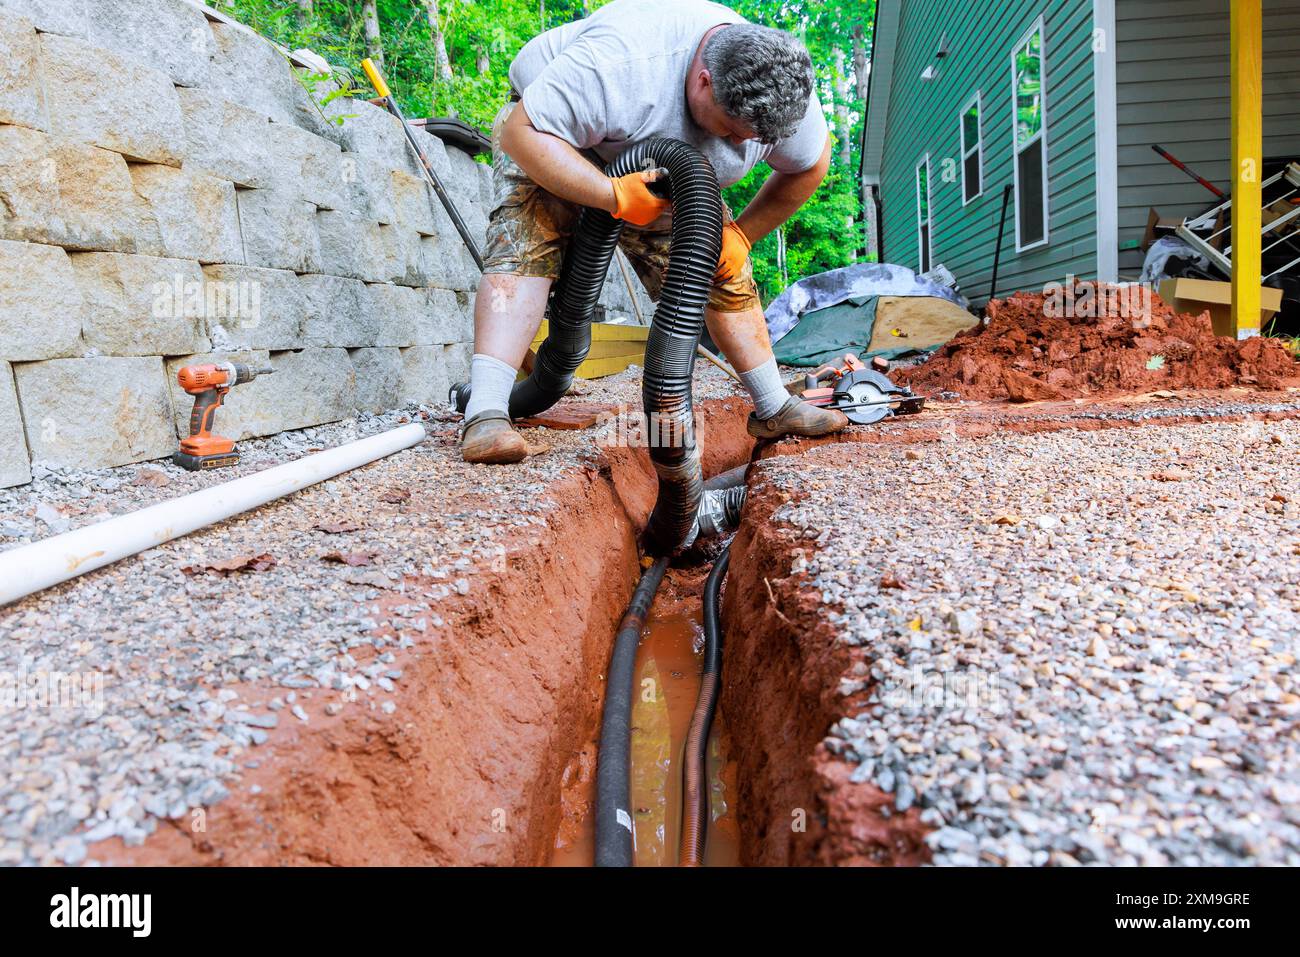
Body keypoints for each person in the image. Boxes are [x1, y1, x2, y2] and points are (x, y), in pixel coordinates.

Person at [461, 0, 850, 464]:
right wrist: (612, 194)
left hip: (671, 165)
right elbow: (522, 133)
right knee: (526, 245)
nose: (740, 146)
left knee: (718, 264)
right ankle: (485, 415)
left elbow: (811, 166)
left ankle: (773, 405)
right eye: (731, 131)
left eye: (754, 140)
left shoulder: (783, 93)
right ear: (704, 81)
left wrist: (743, 234)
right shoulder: (621, 65)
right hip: (553, 137)